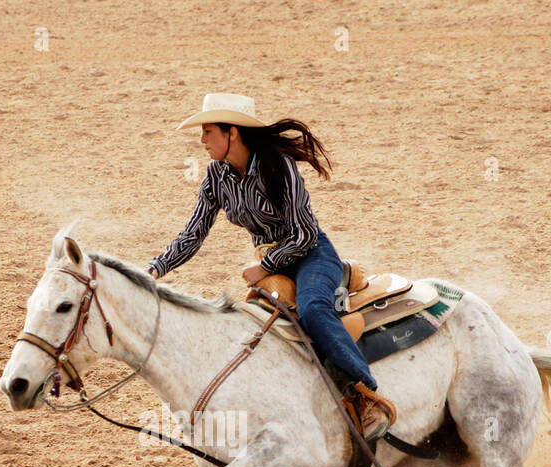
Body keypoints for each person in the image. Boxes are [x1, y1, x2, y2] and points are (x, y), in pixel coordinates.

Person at [146, 92, 396, 440]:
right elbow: (193, 234)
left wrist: (265, 265)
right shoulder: (216, 176)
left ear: (232, 132)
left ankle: (366, 395)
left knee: (312, 310)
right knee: (249, 331)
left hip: (312, 255)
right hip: (271, 264)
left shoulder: (279, 166)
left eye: (208, 131)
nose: (202, 141)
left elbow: (306, 233)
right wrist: (155, 270)